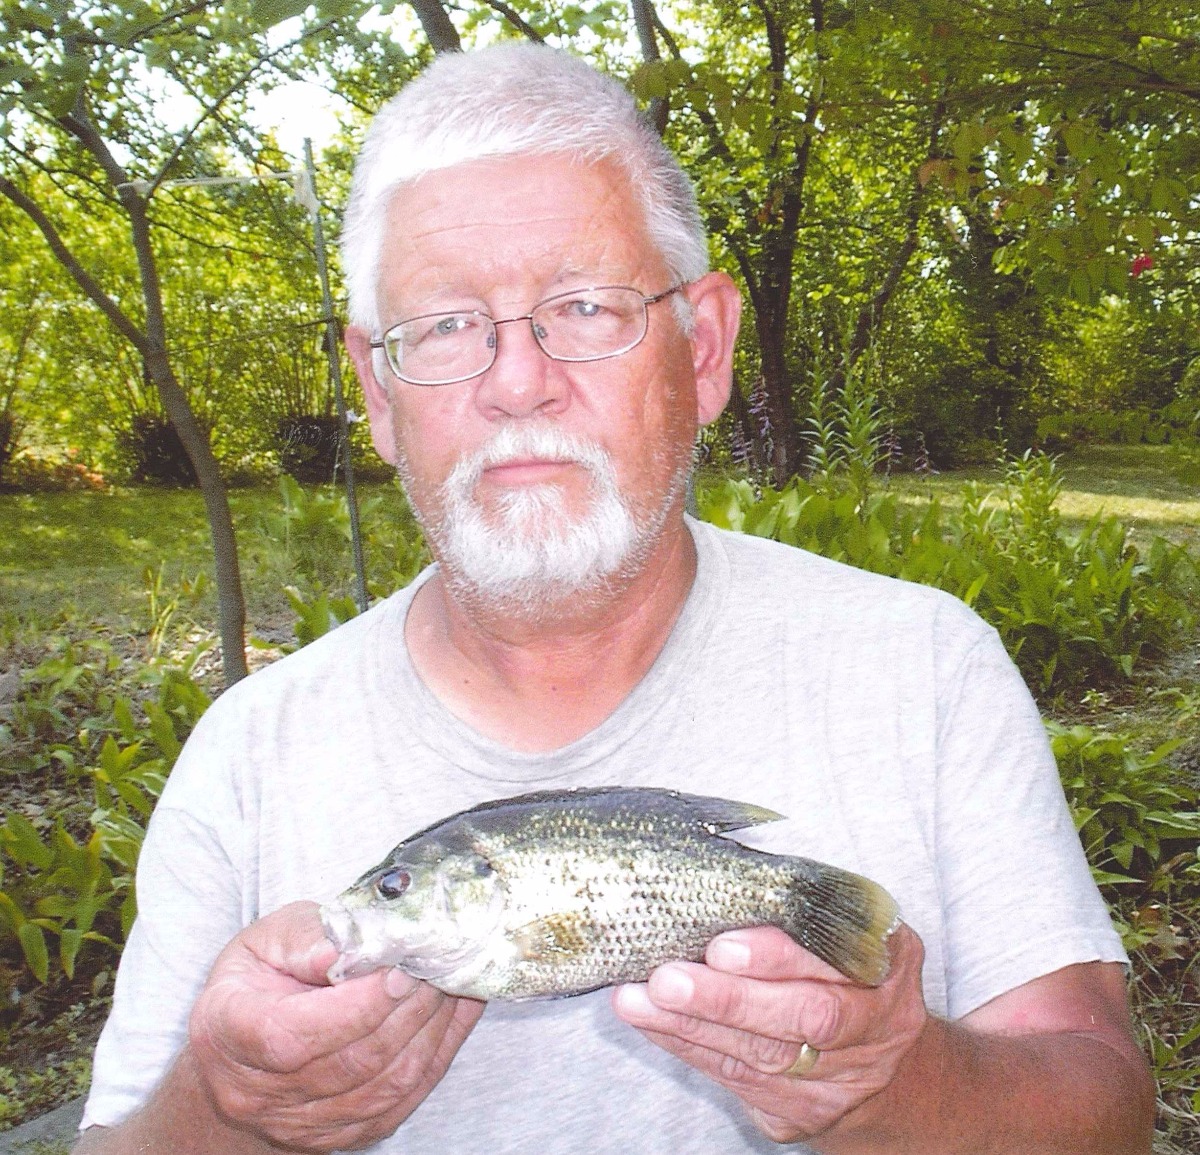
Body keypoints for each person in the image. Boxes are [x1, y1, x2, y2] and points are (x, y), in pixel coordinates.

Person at [75, 42, 1153, 1155]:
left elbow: (1109, 1117)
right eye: (444, 327)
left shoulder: (926, 667)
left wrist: (903, 1088)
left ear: (704, 348)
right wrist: (223, 1109)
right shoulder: (247, 755)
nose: (515, 379)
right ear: (378, 395)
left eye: (585, 307)